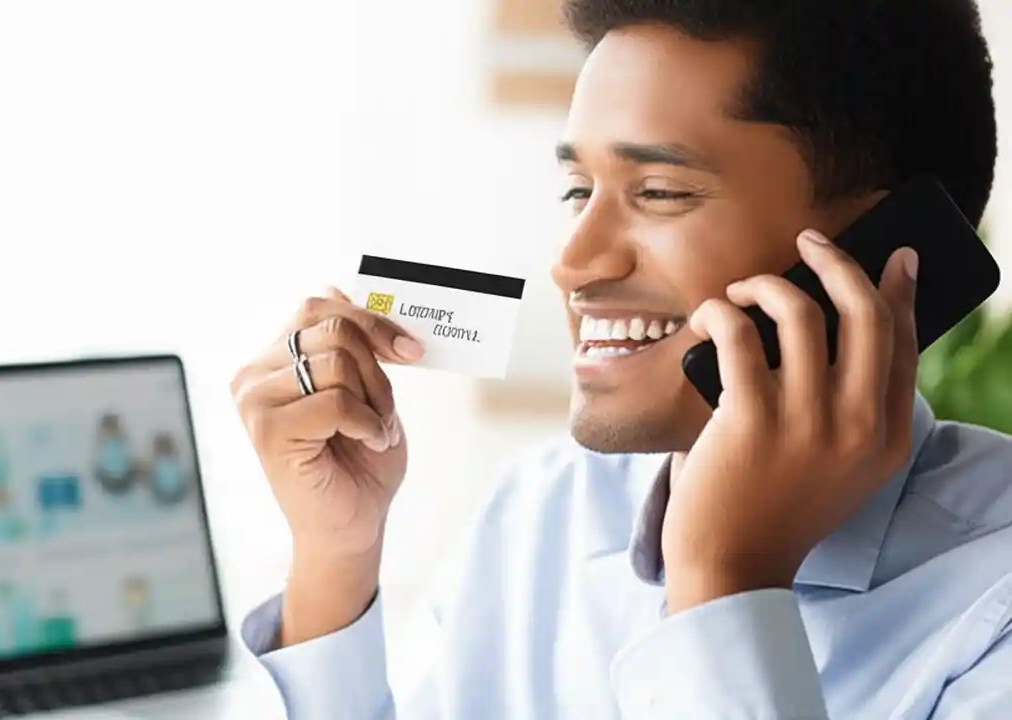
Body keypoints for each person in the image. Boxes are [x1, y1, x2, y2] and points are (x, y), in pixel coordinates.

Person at [230, 1, 1012, 718]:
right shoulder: (539, 515)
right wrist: (336, 560)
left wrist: (724, 579)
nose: (574, 263)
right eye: (578, 191)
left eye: (660, 192)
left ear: (878, 259)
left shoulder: (993, 607)